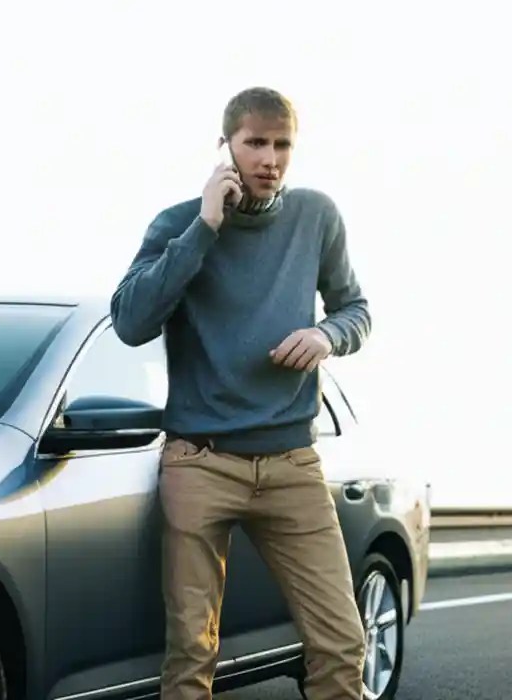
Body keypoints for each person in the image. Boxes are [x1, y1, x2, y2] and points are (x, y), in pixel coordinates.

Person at [109, 86, 372, 700]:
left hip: (291, 463)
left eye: (282, 145)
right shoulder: (178, 224)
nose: (270, 158)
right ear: (224, 146)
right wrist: (205, 226)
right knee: (191, 655)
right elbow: (130, 321)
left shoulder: (316, 217)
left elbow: (356, 308)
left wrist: (328, 335)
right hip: (199, 464)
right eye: (255, 142)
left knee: (340, 642)